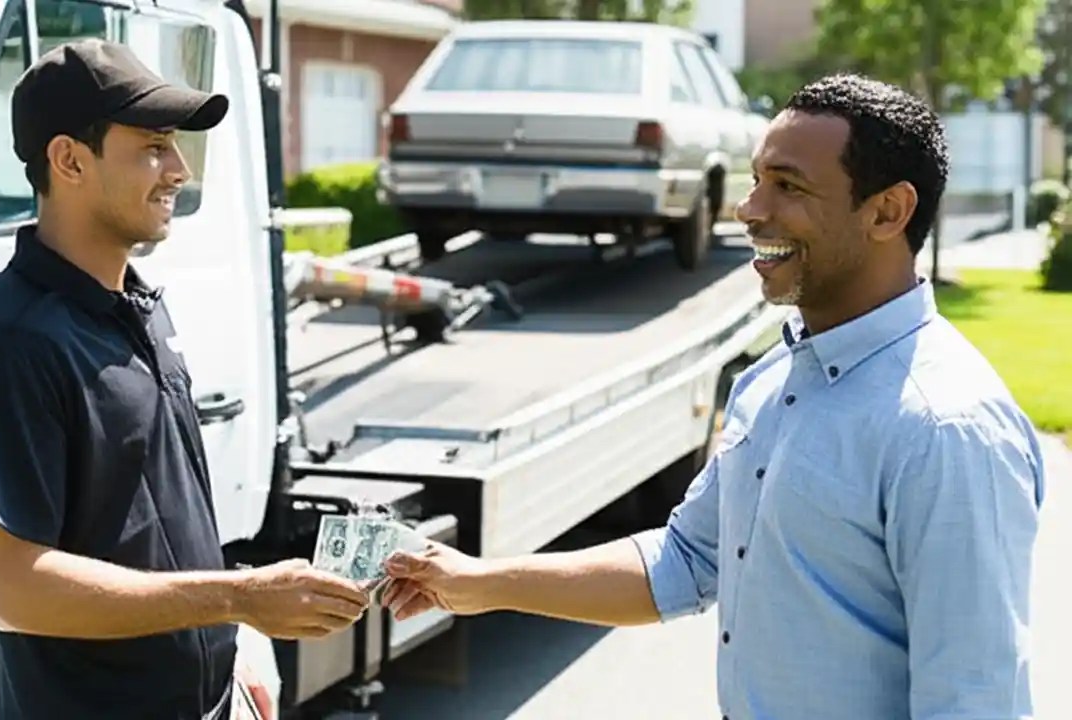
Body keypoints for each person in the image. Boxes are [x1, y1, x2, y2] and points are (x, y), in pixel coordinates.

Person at [379, 74, 1047, 720]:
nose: (750, 209)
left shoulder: (946, 429)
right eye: (757, 180)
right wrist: (479, 582)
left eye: (788, 186)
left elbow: (975, 703)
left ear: (887, 211)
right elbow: (687, 560)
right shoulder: (772, 381)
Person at [0, 39, 368, 720]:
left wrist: (230, 650)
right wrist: (239, 598)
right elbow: (15, 590)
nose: (177, 171)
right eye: (151, 147)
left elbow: (162, 524)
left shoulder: (138, 306)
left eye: (174, 147)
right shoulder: (12, 338)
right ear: (69, 160)